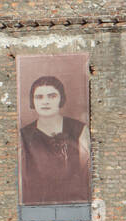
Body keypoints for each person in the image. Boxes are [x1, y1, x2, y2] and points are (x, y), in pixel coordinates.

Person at [20, 76, 90, 206]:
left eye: (52, 96)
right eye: (39, 97)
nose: (45, 102)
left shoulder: (78, 129)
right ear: (32, 101)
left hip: (73, 202)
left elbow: (86, 173)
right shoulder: (24, 135)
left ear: (61, 99)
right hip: (36, 203)